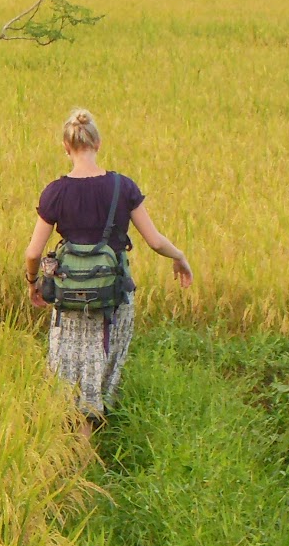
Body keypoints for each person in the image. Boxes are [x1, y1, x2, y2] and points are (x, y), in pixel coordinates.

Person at [23, 108, 193, 425]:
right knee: (99, 378)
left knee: (70, 382)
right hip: (113, 299)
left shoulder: (55, 192)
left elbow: (33, 252)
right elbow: (155, 241)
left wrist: (32, 282)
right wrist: (180, 257)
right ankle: (90, 457)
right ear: (98, 143)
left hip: (71, 299)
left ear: (65, 146)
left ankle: (75, 459)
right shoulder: (122, 187)